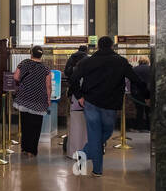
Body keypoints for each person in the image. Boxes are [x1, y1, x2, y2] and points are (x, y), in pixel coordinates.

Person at [72, 36, 138, 176]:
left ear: (98, 46)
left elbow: (74, 79)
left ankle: (83, 154)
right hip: (110, 104)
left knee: (97, 136)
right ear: (112, 46)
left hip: (91, 102)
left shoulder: (87, 62)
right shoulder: (121, 61)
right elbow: (134, 78)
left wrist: (80, 96)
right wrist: (146, 92)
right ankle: (97, 170)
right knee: (104, 133)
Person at [12, 46, 52, 155]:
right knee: (36, 126)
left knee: (25, 124)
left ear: (31, 53)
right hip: (39, 100)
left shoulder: (24, 63)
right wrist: (48, 99)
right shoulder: (45, 68)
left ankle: (24, 148)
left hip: (24, 98)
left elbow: (16, 76)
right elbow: (48, 86)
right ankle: (32, 150)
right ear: (41, 55)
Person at [62, 45, 89, 157]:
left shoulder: (71, 58)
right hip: (88, 98)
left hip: (74, 96)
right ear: (86, 50)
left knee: (74, 124)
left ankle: (73, 150)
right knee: (87, 126)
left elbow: (67, 74)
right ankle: (86, 149)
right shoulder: (88, 60)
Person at [132, 56, 154, 131]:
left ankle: (139, 127)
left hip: (137, 92)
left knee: (139, 110)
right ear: (148, 61)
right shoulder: (151, 69)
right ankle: (149, 127)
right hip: (148, 92)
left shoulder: (134, 69)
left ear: (139, 61)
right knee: (149, 110)